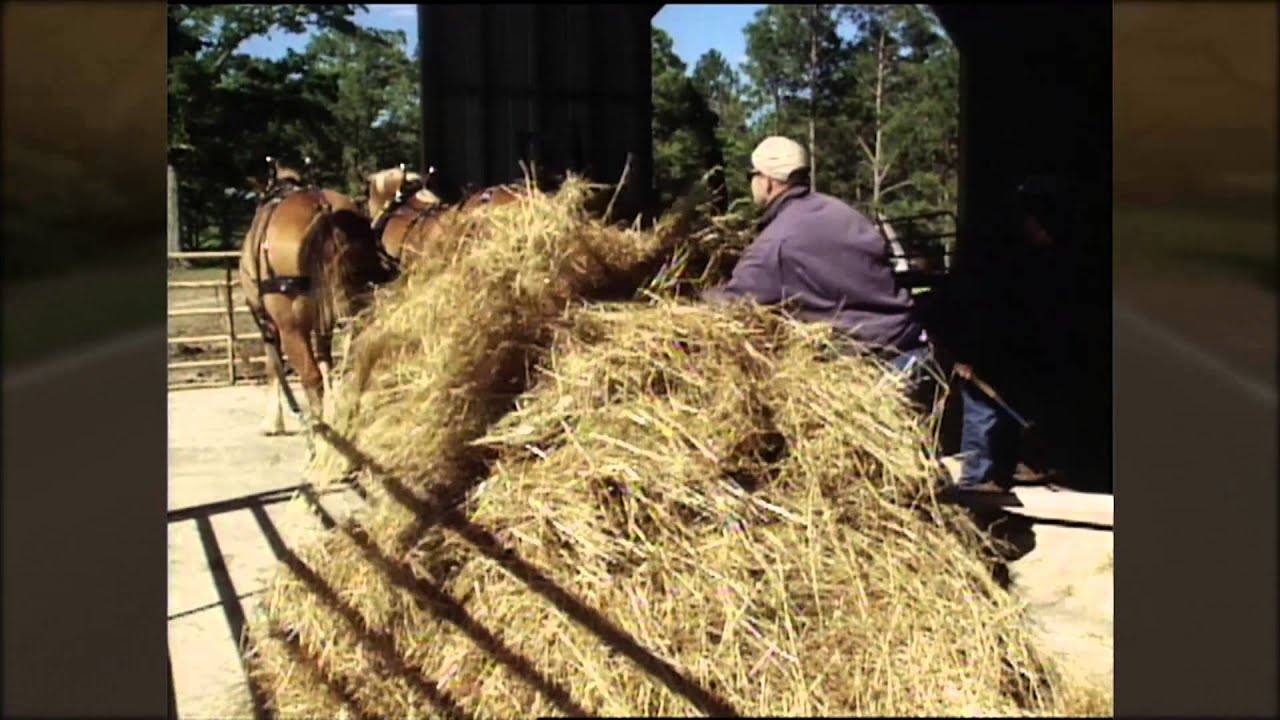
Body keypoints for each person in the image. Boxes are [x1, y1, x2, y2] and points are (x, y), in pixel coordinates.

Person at [701, 136, 938, 408]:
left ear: (767, 181)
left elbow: (733, 303)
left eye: (751, 175)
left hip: (872, 374)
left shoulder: (774, 245)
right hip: (913, 351)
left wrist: (693, 297)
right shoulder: (845, 214)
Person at [942, 175, 1068, 493]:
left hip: (1013, 342)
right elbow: (972, 302)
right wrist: (965, 354)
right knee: (982, 410)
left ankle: (1008, 464)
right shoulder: (992, 257)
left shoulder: (1035, 259)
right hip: (985, 339)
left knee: (1010, 404)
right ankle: (976, 479)